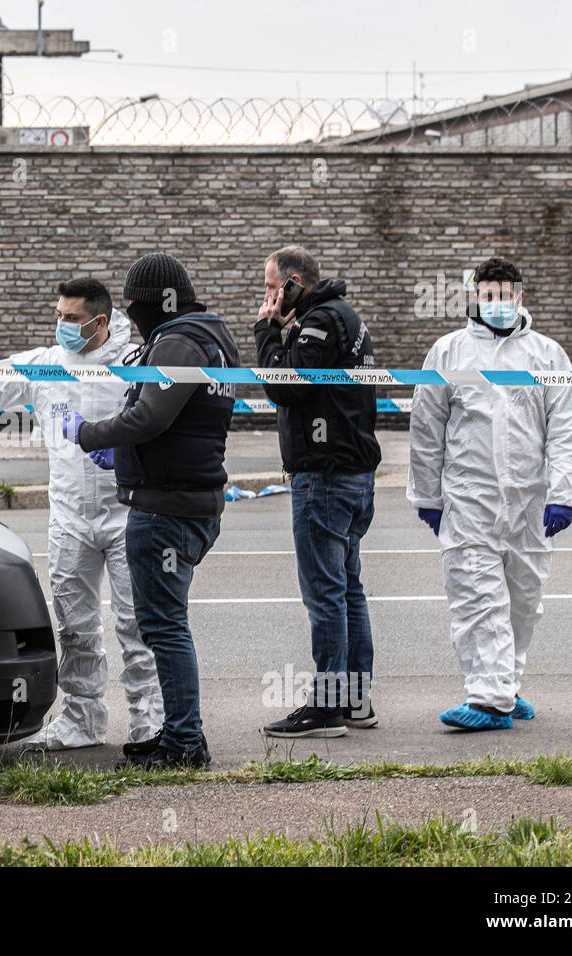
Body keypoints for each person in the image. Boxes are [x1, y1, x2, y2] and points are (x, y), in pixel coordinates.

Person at [0, 278, 164, 750]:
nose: (61, 325)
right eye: (58, 315)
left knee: (137, 624)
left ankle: (150, 724)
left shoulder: (135, 362)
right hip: (69, 516)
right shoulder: (46, 364)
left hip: (128, 512)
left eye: (71, 318)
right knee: (75, 624)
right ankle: (83, 720)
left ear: (100, 322)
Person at [64, 253, 241, 768]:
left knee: (163, 625)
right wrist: (118, 450)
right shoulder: (207, 336)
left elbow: (150, 416)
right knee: (165, 623)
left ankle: (185, 741)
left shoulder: (181, 341)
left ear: (153, 301)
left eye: (134, 305)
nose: (132, 315)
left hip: (166, 508)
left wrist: (90, 434)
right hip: (188, 499)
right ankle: (176, 733)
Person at [407, 256, 572, 730]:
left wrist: (562, 494)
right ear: (475, 299)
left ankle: (506, 684)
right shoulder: (449, 352)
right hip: (469, 497)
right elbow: (427, 427)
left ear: (520, 297)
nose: (499, 304)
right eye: (490, 296)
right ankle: (488, 698)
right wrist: (428, 494)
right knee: (476, 596)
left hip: (531, 499)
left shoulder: (547, 355)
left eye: (507, 295)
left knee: (524, 600)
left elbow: (567, 427)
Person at [252, 245, 383, 738]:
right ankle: (354, 700)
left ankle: (327, 708)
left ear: (294, 284)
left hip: (325, 477)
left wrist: (266, 330)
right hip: (352, 474)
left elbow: (286, 385)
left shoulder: (321, 321)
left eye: (271, 287)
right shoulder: (341, 316)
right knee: (347, 589)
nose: (266, 297)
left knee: (326, 592)